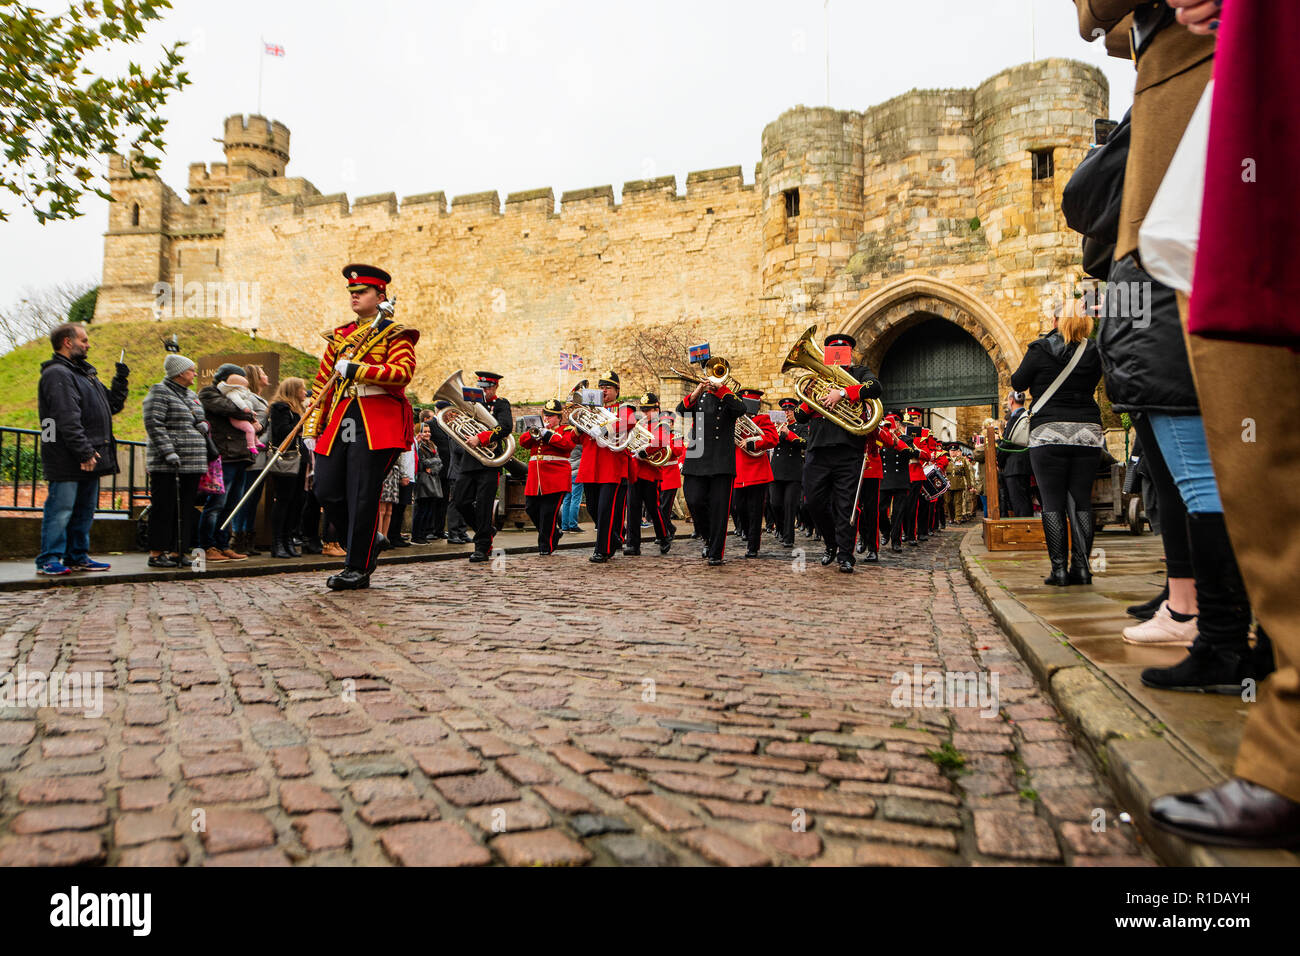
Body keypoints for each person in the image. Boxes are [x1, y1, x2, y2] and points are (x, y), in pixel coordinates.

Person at [304, 263, 419, 590]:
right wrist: (312, 427)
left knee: (361, 495)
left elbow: (401, 373)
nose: (354, 297)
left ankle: (356, 567)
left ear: (380, 295)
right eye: (351, 292)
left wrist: (357, 369)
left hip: (377, 416)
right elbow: (322, 384)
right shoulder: (340, 336)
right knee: (325, 488)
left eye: (362, 292)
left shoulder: (395, 333)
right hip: (341, 416)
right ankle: (371, 537)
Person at [1010, 304, 1104, 586]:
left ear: (1056, 321)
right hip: (1088, 432)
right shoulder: (1094, 351)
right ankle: (1083, 569)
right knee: (1082, 502)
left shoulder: (1040, 348)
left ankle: (1059, 571)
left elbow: (1017, 381)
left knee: (1052, 502)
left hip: (1048, 432)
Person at [35, 323, 130, 575]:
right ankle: (49, 558)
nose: (88, 345)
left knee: (84, 511)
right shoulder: (57, 374)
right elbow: (66, 417)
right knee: (61, 509)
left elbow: (111, 406)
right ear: (68, 342)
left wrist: (120, 380)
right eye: (84, 340)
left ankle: (77, 555)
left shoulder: (84, 375)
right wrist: (84, 451)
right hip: (68, 457)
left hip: (89, 455)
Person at [793, 332, 884, 573]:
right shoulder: (817, 377)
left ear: (849, 354)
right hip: (818, 450)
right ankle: (831, 543)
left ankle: (845, 555)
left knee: (846, 506)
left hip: (848, 450)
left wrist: (842, 393)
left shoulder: (858, 373)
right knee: (813, 502)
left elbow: (876, 388)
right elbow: (801, 416)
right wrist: (812, 396)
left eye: (843, 351)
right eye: (833, 351)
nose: (839, 355)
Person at [142, 354, 209, 568]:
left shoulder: (190, 395)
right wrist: (168, 451)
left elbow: (199, 416)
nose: (195, 374)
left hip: (192, 462)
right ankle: (156, 552)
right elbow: (154, 423)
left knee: (185, 507)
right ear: (180, 373)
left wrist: (202, 425)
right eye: (191, 370)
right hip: (168, 463)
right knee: (164, 507)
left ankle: (177, 551)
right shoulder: (159, 391)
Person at [678, 373, 744, 566]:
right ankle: (707, 537)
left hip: (721, 460)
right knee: (694, 500)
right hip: (697, 457)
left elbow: (740, 408)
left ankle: (716, 551)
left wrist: (722, 390)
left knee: (719, 509)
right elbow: (681, 410)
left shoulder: (729, 395)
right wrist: (698, 390)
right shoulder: (700, 397)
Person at [197, 363, 260, 561]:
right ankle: (206, 546)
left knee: (232, 504)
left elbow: (247, 414)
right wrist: (248, 413)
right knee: (216, 503)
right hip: (224, 455)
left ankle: (223, 544)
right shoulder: (209, 393)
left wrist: (248, 414)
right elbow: (233, 409)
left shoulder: (238, 396)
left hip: (241, 455)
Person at [576, 371, 636, 564]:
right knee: (593, 507)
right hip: (591, 466)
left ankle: (602, 550)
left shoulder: (623, 408)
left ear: (617, 391)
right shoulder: (589, 410)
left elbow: (629, 422)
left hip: (612, 467)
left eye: (608, 388)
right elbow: (573, 438)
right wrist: (579, 427)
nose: (604, 391)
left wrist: (604, 429)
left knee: (605, 510)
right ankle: (613, 537)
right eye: (601, 387)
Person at [452, 371, 512, 564]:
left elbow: (505, 426)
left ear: (494, 388)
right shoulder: (469, 405)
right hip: (470, 461)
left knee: (484, 505)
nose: (483, 390)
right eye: (481, 387)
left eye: (487, 388)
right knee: (460, 501)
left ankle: (482, 547)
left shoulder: (501, 404)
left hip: (490, 461)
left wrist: (482, 437)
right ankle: (485, 530)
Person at [519, 399, 577, 554]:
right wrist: (535, 433)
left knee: (547, 513)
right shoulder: (537, 429)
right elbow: (522, 442)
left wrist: (548, 434)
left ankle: (545, 546)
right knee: (531, 509)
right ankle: (554, 533)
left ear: (559, 418)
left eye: (551, 416)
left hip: (555, 477)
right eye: (546, 415)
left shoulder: (566, 429)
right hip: (536, 478)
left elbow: (567, 445)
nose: (547, 418)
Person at [229, 364, 272, 557]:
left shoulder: (259, 398)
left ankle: (248, 537)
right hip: (252, 453)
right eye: (262, 373)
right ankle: (238, 537)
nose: (266, 375)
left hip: (261, 455)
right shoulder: (247, 398)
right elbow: (252, 425)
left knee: (253, 499)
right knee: (244, 498)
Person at [731, 389, 778, 558]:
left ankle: (753, 545)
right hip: (739, 471)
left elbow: (773, 439)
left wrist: (752, 442)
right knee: (738, 507)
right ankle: (745, 531)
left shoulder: (763, 419)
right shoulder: (735, 420)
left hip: (758, 472)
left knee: (755, 510)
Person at [625, 393, 673, 556]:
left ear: (656, 409)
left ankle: (663, 536)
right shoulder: (639, 424)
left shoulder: (662, 424)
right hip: (635, 471)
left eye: (648, 410)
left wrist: (644, 451)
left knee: (653, 508)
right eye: (643, 410)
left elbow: (661, 441)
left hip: (651, 472)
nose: (645, 413)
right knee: (632, 508)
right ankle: (633, 544)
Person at [265, 377, 307, 559]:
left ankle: (288, 540)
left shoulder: (300, 408)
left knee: (297, 500)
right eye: (302, 389)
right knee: (283, 500)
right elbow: (281, 432)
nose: (305, 392)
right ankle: (278, 542)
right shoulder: (280, 408)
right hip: (287, 458)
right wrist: (300, 426)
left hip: (300, 458)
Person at [769, 398, 806, 549]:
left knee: (790, 505)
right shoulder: (775, 426)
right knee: (775, 504)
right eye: (784, 410)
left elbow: (805, 443)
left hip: (793, 471)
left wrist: (789, 434)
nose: (787, 413)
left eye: (789, 410)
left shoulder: (801, 426)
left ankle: (788, 537)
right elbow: (769, 443)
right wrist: (774, 429)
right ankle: (780, 527)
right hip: (776, 470)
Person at [996, 392, 1033, 518]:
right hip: (1024, 464)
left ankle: (1025, 532)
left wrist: (999, 461)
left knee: (1019, 503)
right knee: (1025, 500)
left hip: (1014, 466)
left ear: (1011, 401)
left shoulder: (1015, 417)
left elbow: (1006, 443)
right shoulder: (1027, 415)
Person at [412, 424, 441, 543]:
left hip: (433, 479)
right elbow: (422, 463)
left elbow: (440, 462)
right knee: (421, 510)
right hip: (423, 481)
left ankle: (423, 534)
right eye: (425, 431)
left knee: (429, 510)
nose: (428, 433)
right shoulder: (419, 446)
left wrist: (433, 469)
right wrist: (435, 461)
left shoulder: (433, 445)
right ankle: (417, 535)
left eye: (429, 431)